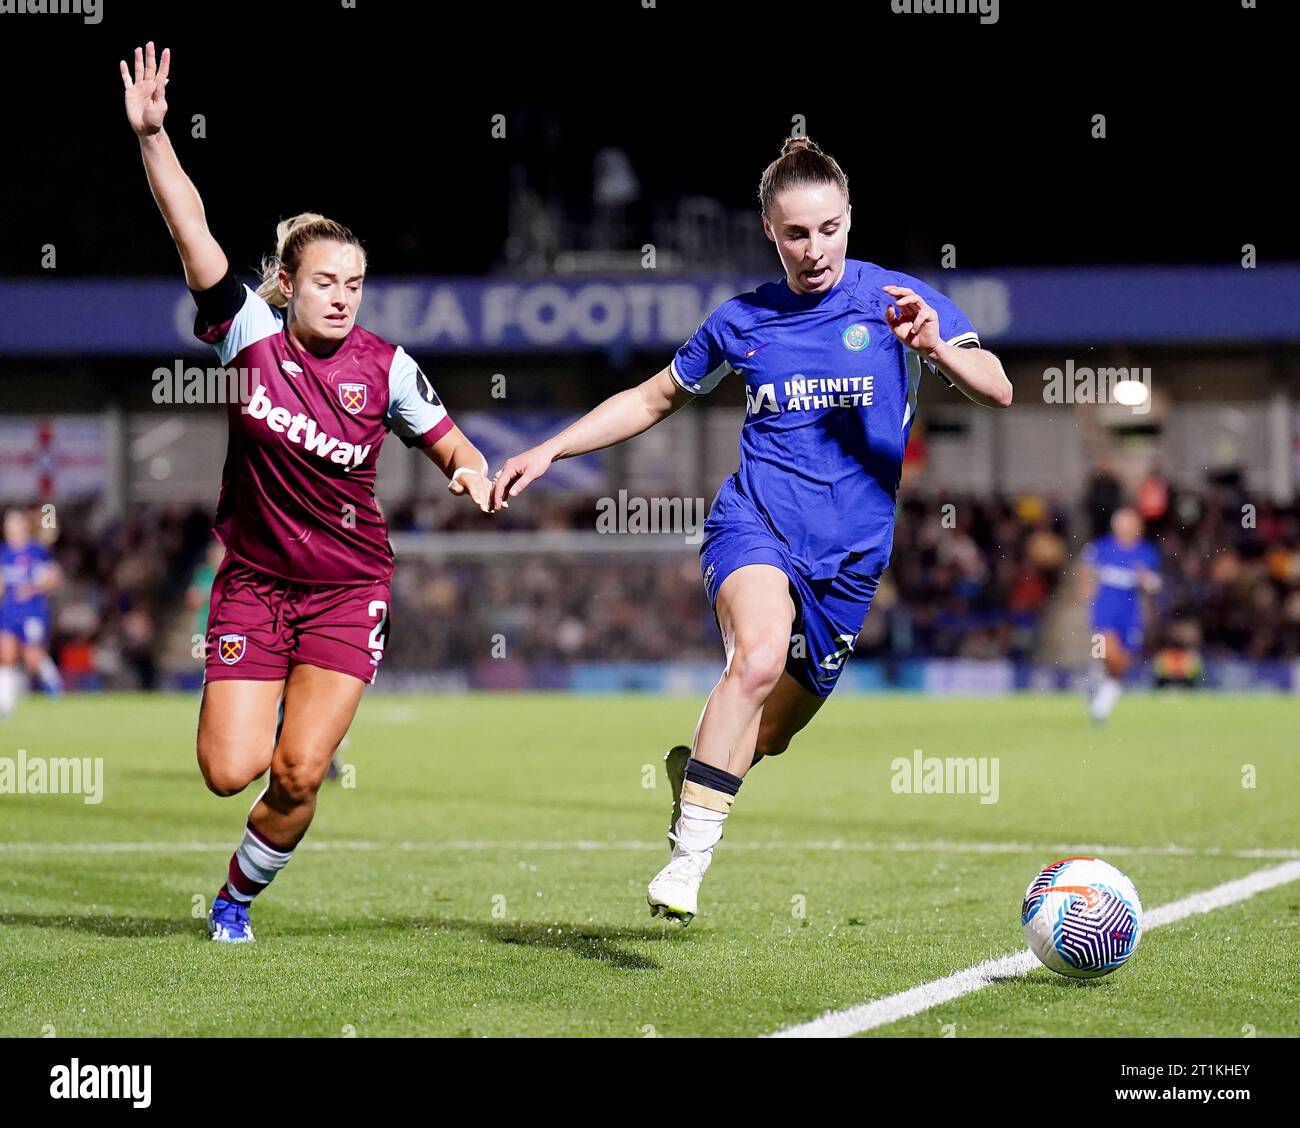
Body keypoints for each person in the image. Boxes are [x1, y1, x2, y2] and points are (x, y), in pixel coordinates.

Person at [491, 137, 1012, 922]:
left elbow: (998, 389)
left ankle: (696, 773)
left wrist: (934, 345)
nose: (815, 249)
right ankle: (687, 864)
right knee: (758, 656)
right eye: (796, 234)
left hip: (852, 560)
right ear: (771, 232)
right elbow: (654, 397)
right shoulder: (742, 322)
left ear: (848, 219)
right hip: (755, 525)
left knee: (765, 737)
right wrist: (552, 446)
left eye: (829, 229)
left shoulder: (899, 303)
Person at [121, 42, 493, 942]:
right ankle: (263, 733)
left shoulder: (387, 368)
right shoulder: (245, 332)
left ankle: (233, 903)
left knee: (296, 773)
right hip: (251, 583)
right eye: (325, 282)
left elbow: (452, 445)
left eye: (355, 285)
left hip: (346, 587)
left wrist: (475, 473)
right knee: (227, 769)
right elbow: (192, 233)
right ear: (286, 284)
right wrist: (154, 138)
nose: (342, 298)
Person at [1078, 506, 1161, 724]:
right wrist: (1085, 588)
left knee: (1121, 665)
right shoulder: (1102, 547)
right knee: (1108, 652)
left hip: (1131, 614)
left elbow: (1154, 585)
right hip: (1105, 611)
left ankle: (1100, 705)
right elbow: (1086, 570)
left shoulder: (1146, 552)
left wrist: (1147, 580)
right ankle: (1099, 688)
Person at [0, 509, 63, 718]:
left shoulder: (37, 551)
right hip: (10, 610)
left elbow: (53, 578)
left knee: (32, 657)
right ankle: (6, 703)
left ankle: (54, 685)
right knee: (6, 653)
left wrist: (32, 588)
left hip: (32, 611)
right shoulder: (4, 553)